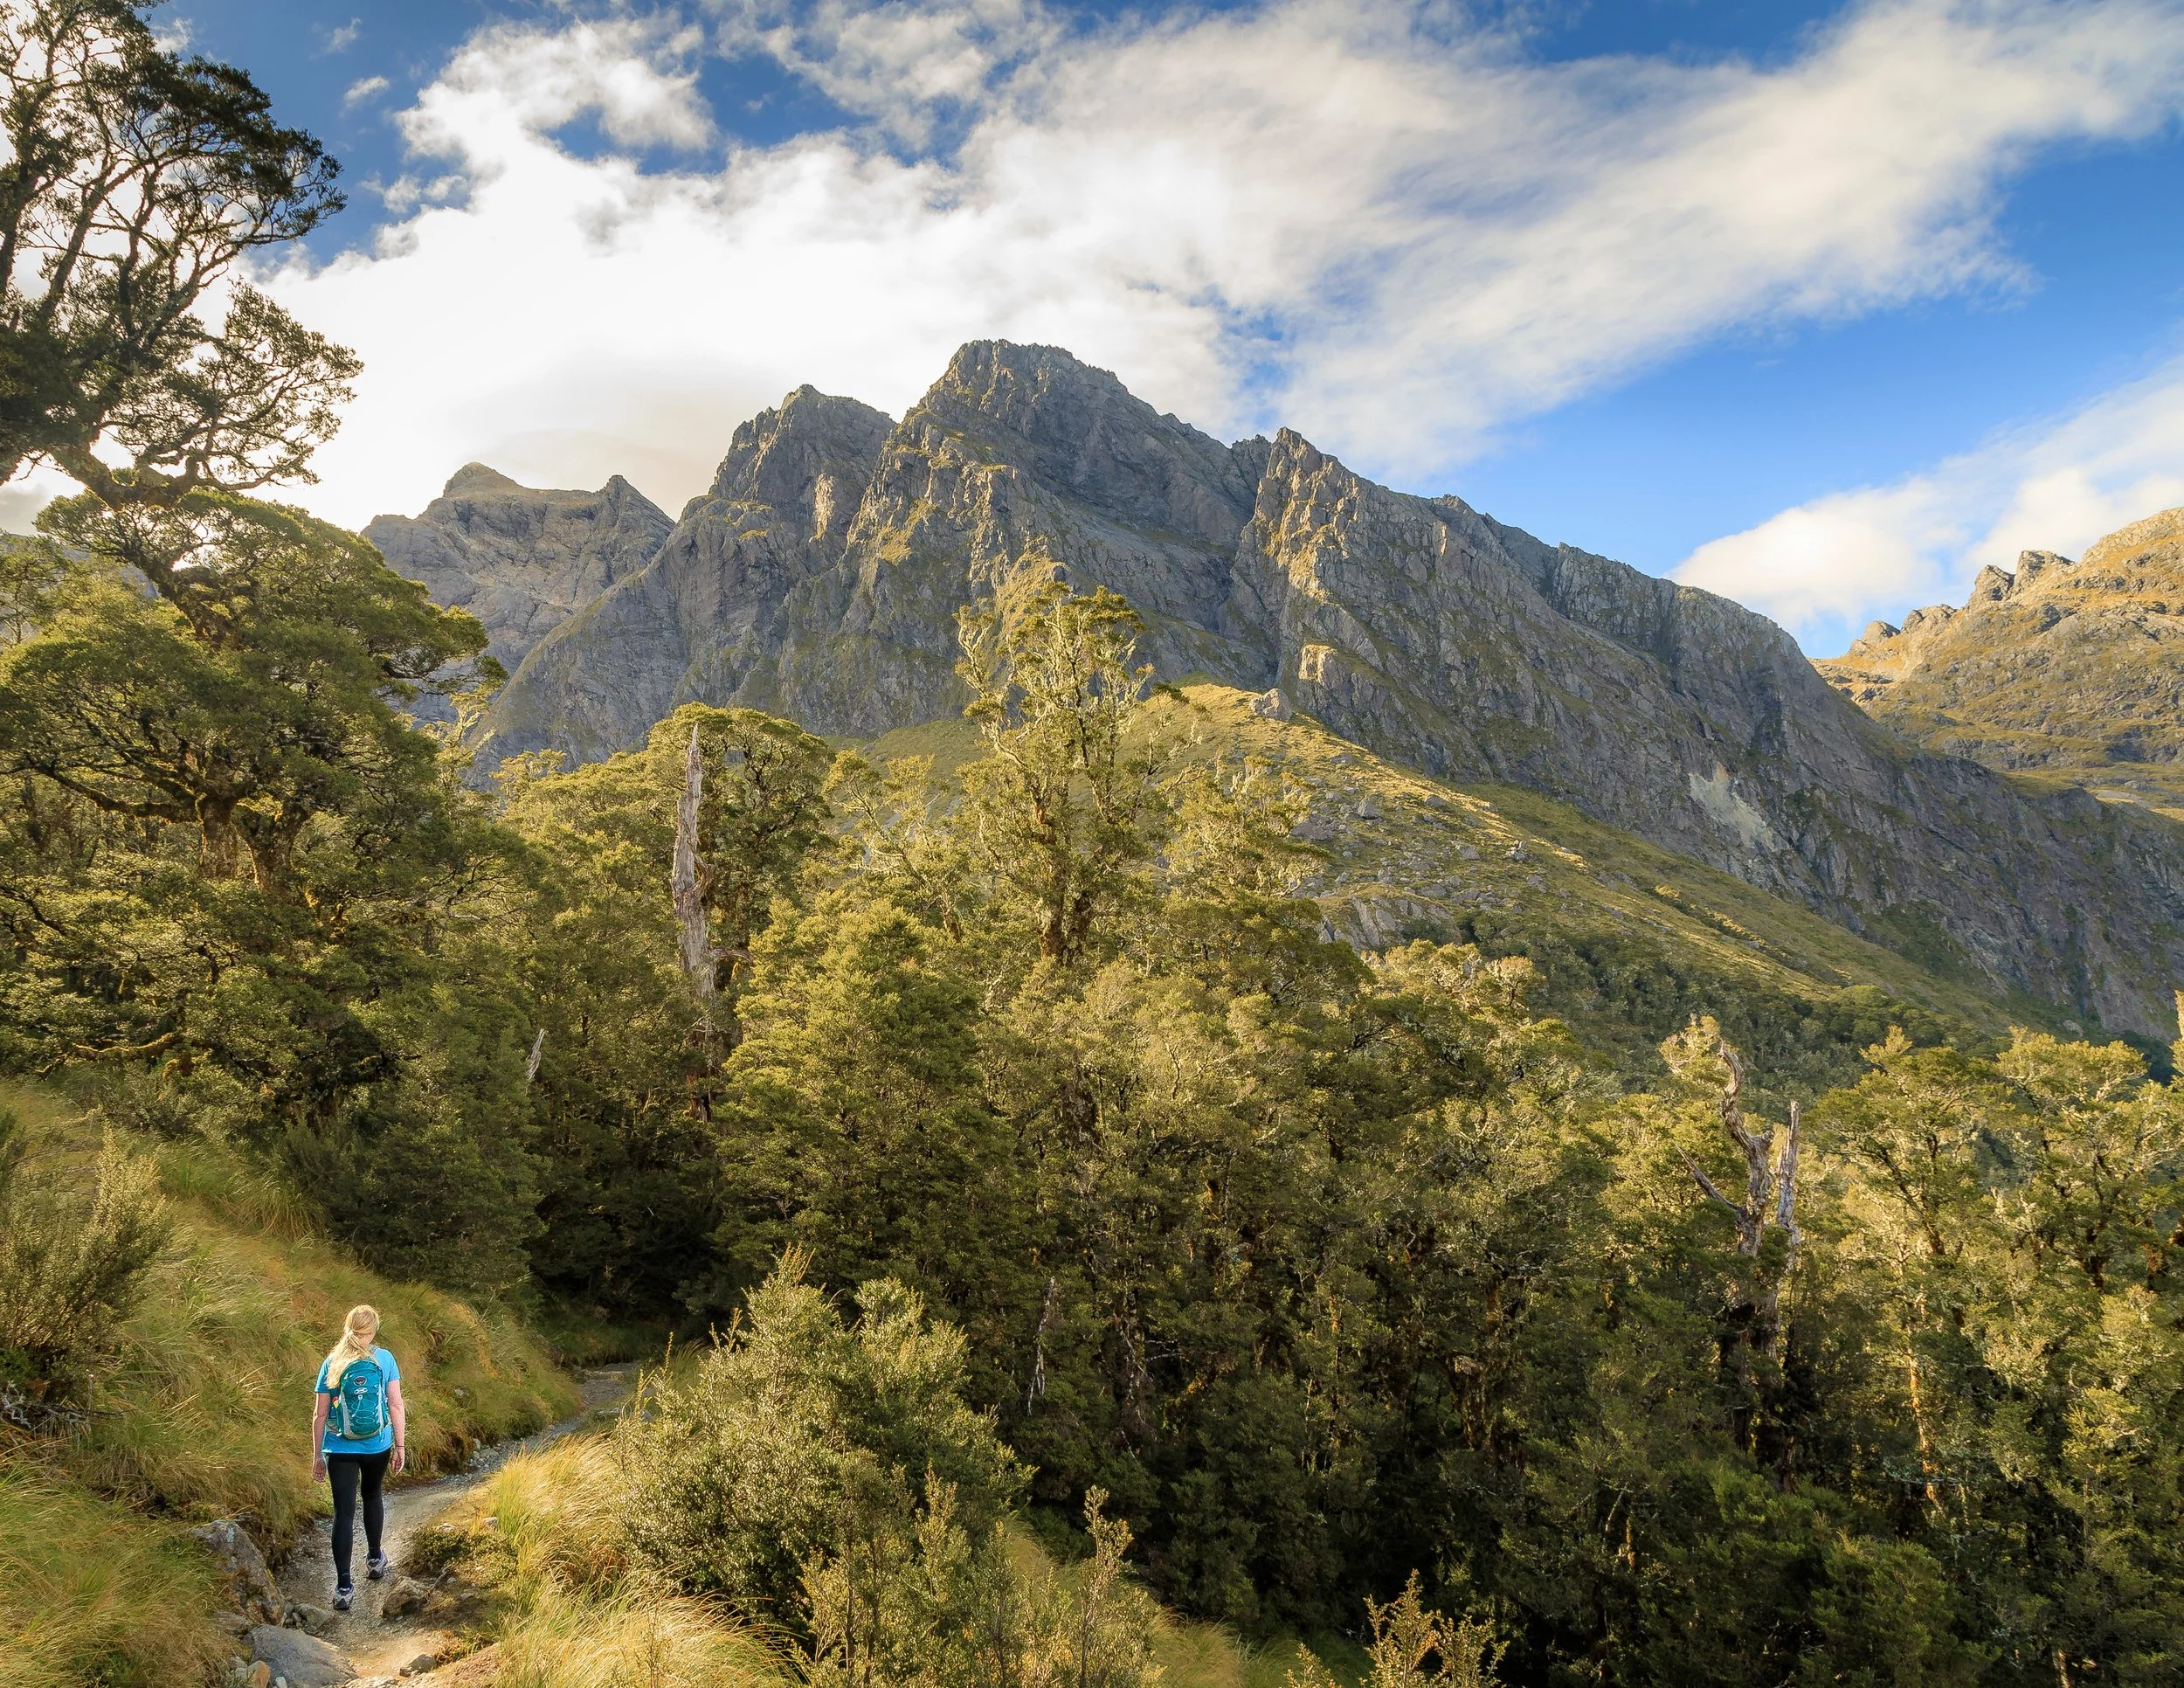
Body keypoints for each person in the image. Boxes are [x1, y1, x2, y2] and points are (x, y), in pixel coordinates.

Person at [309, 1304, 407, 1611]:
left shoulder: (332, 1362)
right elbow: (396, 1404)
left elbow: (320, 1414)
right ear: (373, 1331)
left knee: (343, 1513)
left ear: (347, 1328)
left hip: (339, 1448)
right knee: (373, 1494)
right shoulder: (385, 1358)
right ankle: (375, 1559)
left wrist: (317, 1455)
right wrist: (400, 1445)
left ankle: (343, 1587)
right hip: (377, 1444)